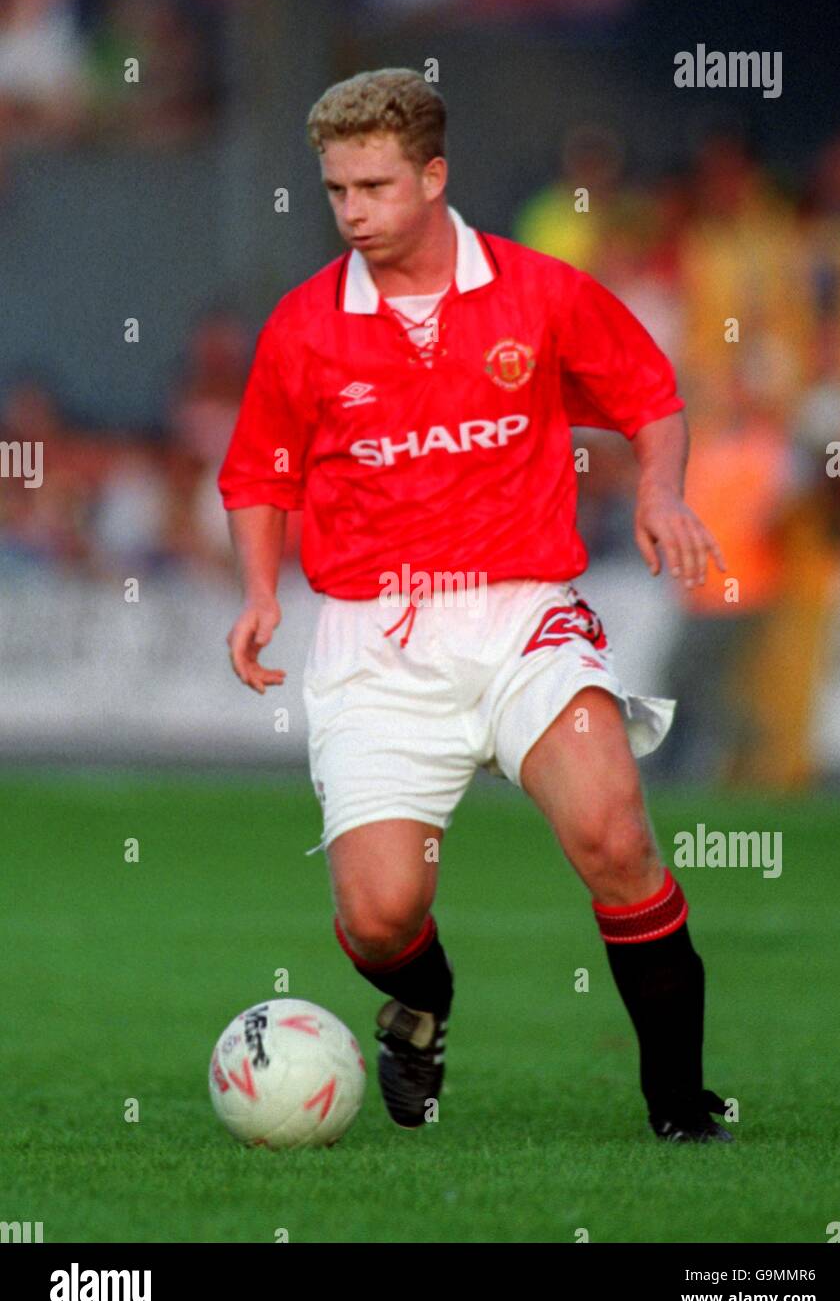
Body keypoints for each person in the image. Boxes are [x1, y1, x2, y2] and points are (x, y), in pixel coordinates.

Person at [217, 69, 731, 1144]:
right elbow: (259, 474)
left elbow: (649, 396)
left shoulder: (538, 291)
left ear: (433, 176)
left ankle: (680, 1109)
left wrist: (655, 488)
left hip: (520, 614)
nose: (351, 211)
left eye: (373, 185)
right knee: (377, 913)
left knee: (611, 832)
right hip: (375, 639)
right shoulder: (306, 325)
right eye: (335, 191)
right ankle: (422, 1008)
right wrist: (262, 591)